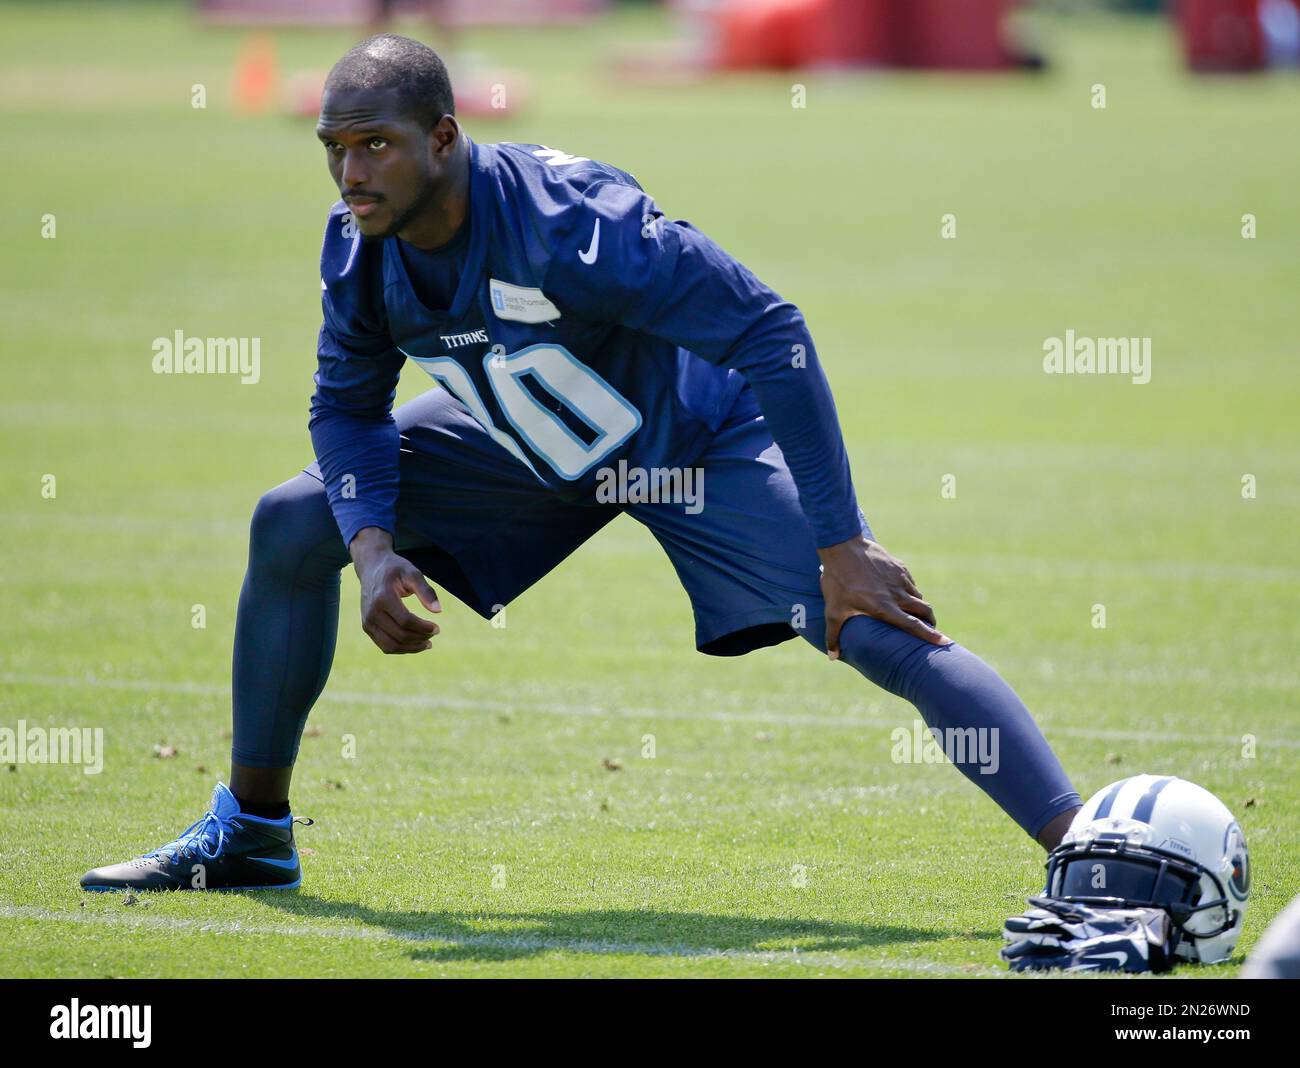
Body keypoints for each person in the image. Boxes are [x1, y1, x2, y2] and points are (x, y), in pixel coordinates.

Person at [81, 34, 1080, 892]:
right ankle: (254, 835)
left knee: (869, 627)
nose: (352, 175)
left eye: (375, 145)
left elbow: (769, 331)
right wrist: (375, 547)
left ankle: (1087, 853)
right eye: (334, 149)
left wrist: (843, 540)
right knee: (294, 522)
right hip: (528, 444)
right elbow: (345, 408)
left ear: (443, 136)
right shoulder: (360, 246)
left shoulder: (571, 222)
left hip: (686, 443)